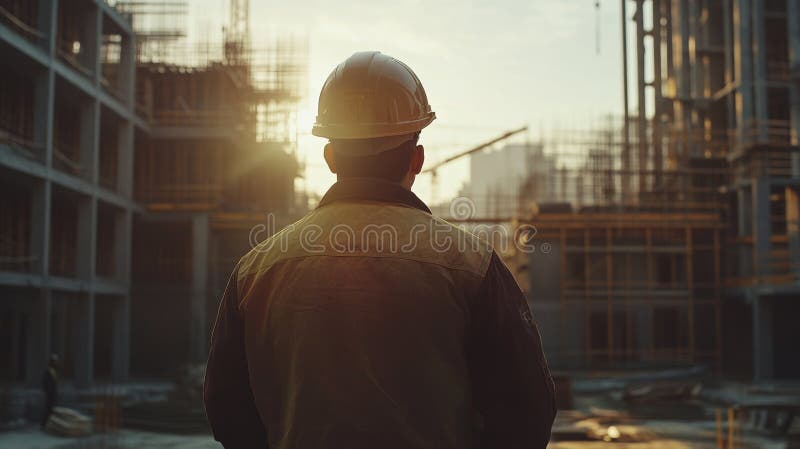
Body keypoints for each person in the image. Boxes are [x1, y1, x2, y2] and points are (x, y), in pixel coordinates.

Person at [204, 51, 556, 449]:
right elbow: (526, 413)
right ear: (417, 158)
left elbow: (227, 408)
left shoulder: (257, 269)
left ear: (330, 157)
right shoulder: (472, 265)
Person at [41, 354, 58, 429]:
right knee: (48, 408)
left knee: (51, 409)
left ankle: (49, 424)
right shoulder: (48, 371)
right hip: (49, 393)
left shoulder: (54, 371)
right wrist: (47, 390)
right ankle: (43, 424)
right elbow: (45, 382)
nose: (56, 363)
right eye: (54, 361)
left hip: (53, 392)